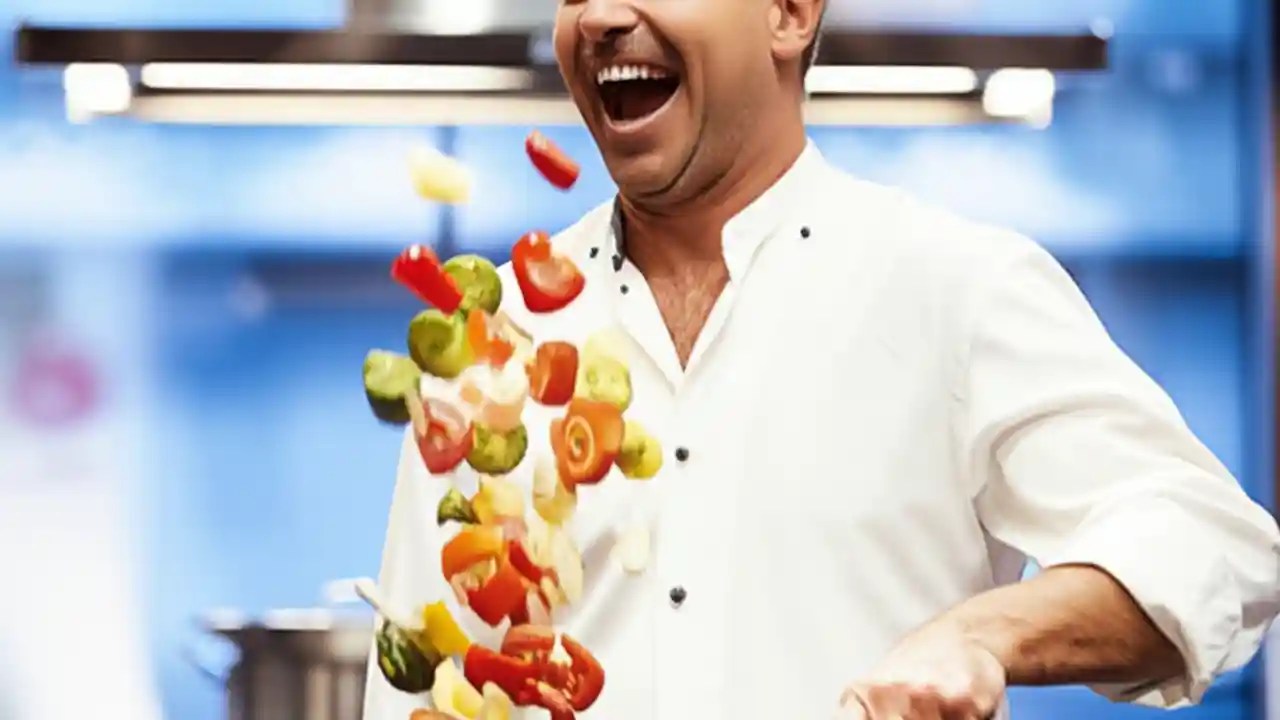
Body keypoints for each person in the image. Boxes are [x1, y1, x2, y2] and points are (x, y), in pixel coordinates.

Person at [364, 1, 1280, 718]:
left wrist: (980, 636)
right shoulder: (493, 346)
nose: (599, 16)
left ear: (791, 12)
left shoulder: (946, 284)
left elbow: (1216, 548)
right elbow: (414, 689)